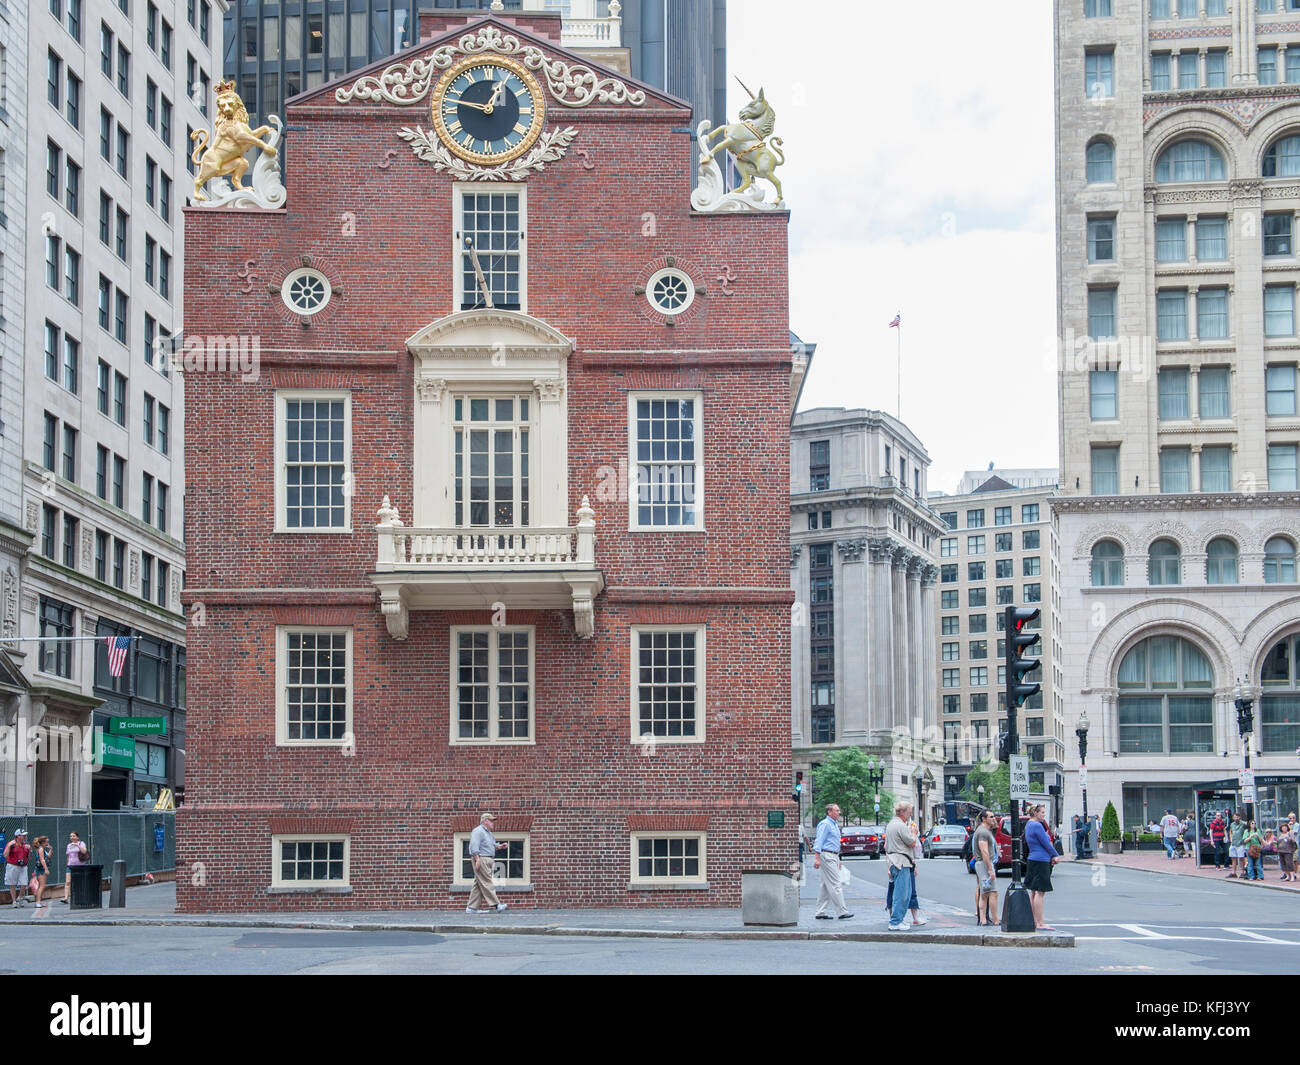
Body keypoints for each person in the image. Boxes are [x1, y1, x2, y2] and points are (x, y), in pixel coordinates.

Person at [885, 816, 927, 927]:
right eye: (908, 813)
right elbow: (912, 843)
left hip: (903, 863)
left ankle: (899, 919)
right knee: (900, 893)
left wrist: (914, 865)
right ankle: (895, 921)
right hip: (899, 863)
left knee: (906, 892)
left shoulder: (893, 826)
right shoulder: (899, 827)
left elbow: (911, 849)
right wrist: (913, 833)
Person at [813, 803, 853, 920]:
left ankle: (820, 911)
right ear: (829, 812)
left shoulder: (834, 825)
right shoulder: (825, 824)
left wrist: (838, 858)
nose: (839, 813)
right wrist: (817, 857)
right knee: (836, 883)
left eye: (838, 810)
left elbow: (833, 842)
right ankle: (842, 911)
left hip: (833, 855)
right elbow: (819, 841)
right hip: (827, 855)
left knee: (825, 885)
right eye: (836, 810)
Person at [1024, 804, 1060, 930]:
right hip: (1041, 859)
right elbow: (1046, 843)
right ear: (1035, 813)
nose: (1044, 815)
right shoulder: (1037, 825)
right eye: (1042, 812)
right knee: (1040, 892)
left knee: (1033, 891)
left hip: (1032, 858)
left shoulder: (1029, 824)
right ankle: (1040, 922)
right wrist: (1055, 855)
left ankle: (1034, 921)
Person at [466, 813, 509, 914]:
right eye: (491, 820)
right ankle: (497, 905)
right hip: (482, 859)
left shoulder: (488, 833)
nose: (493, 823)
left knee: (479, 883)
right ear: (485, 821)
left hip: (488, 859)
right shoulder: (478, 831)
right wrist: (477, 860)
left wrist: (500, 846)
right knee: (487, 882)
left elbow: (491, 845)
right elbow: (474, 846)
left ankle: (471, 908)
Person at [972, 809, 1000, 926]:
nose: (994, 819)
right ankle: (995, 920)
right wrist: (990, 869)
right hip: (984, 864)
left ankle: (983, 919)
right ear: (984, 819)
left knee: (984, 892)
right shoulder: (983, 832)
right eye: (991, 817)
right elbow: (984, 851)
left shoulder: (985, 831)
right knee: (992, 893)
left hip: (982, 864)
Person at [3, 830, 29, 908]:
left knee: (24, 883)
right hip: (12, 865)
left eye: (25, 836)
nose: (24, 837)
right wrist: (8, 846)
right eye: (23, 835)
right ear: (18, 836)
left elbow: (29, 857)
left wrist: (30, 850)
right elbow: (5, 855)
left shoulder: (25, 845)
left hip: (23, 866)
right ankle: (14, 901)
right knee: (12, 884)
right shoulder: (12, 844)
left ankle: (20, 898)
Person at [27, 837, 51, 905]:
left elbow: (47, 857)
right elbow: (42, 860)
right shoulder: (41, 849)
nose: (47, 843)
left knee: (41, 885)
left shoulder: (42, 849)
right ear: (43, 842)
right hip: (40, 869)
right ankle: (37, 902)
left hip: (41, 869)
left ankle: (39, 901)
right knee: (42, 886)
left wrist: (51, 849)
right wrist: (46, 869)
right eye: (46, 842)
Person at [1227, 812, 1246, 879]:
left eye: (1237, 817)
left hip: (1240, 843)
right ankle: (1233, 872)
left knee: (1241, 858)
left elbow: (1247, 829)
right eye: (1235, 817)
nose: (1236, 818)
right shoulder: (1232, 824)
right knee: (1233, 858)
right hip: (1233, 843)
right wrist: (1230, 838)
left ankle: (1242, 872)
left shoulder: (1243, 824)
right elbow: (1231, 831)